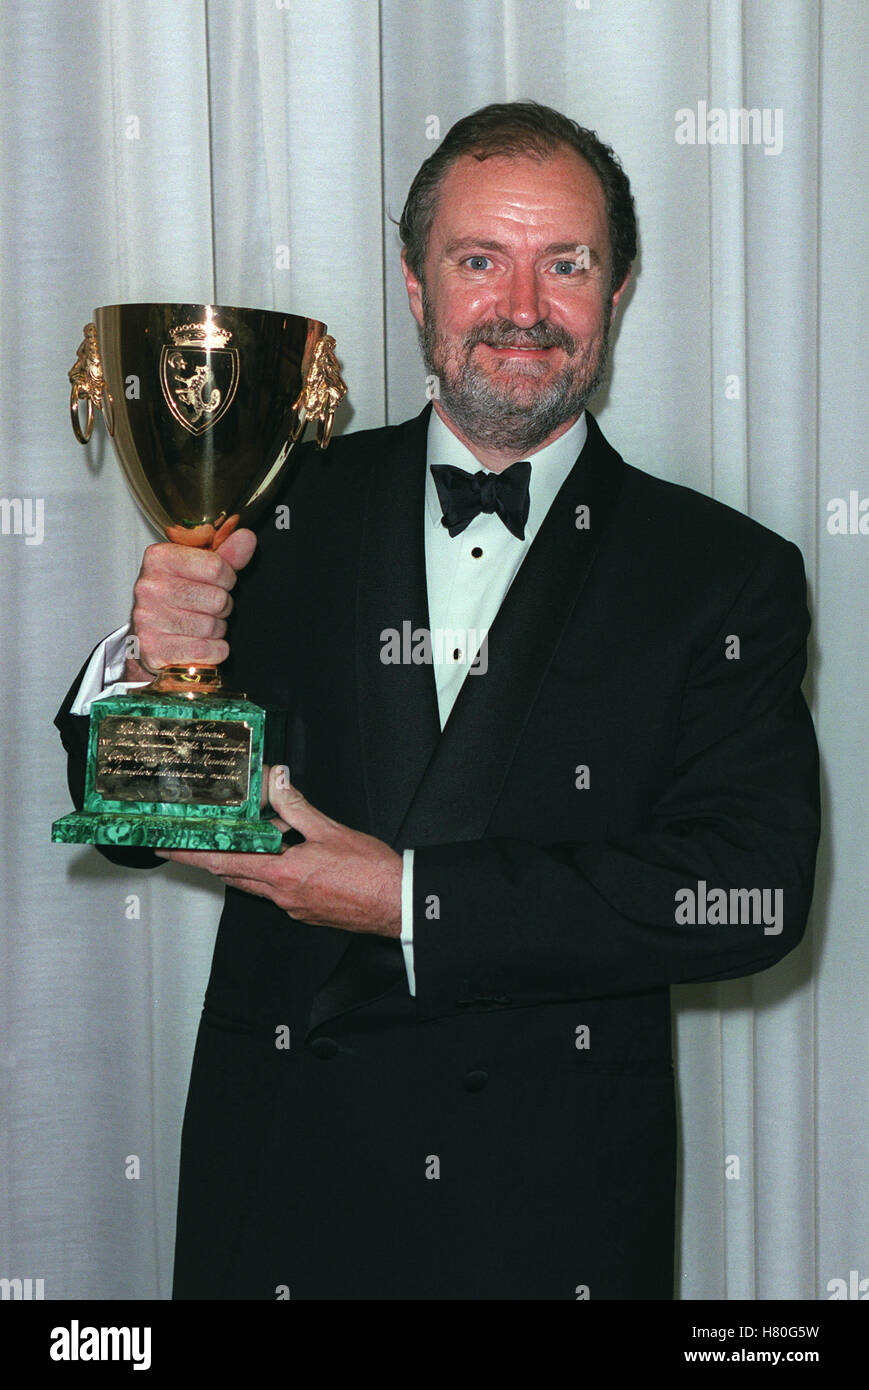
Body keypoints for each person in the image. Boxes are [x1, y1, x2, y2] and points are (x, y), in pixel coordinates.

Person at [55, 101, 820, 1300]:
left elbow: (752, 891)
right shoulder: (270, 504)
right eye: (479, 260)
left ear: (615, 294)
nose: (523, 305)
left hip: (551, 1215)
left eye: (564, 263)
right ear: (415, 287)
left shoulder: (724, 572)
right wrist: (152, 665)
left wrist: (409, 899)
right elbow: (143, 829)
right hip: (279, 1192)